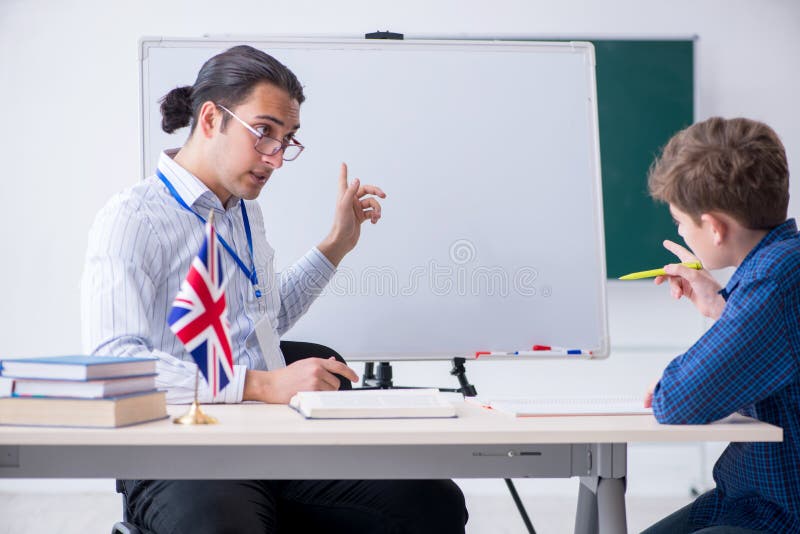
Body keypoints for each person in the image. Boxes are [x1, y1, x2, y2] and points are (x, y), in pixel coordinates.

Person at [81, 45, 467, 533]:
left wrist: (335, 246)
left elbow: (264, 319)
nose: (276, 158)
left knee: (431, 501)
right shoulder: (133, 218)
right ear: (209, 119)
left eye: (287, 140)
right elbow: (113, 365)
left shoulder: (244, 210)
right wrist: (262, 385)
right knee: (228, 524)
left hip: (272, 439)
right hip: (180, 449)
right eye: (264, 133)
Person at [640, 117, 799, 533]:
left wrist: (664, 386)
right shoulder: (781, 263)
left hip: (777, 513)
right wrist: (721, 307)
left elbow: (676, 401)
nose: (679, 230)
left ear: (713, 227)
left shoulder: (772, 281)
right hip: (748, 498)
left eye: (680, 220)